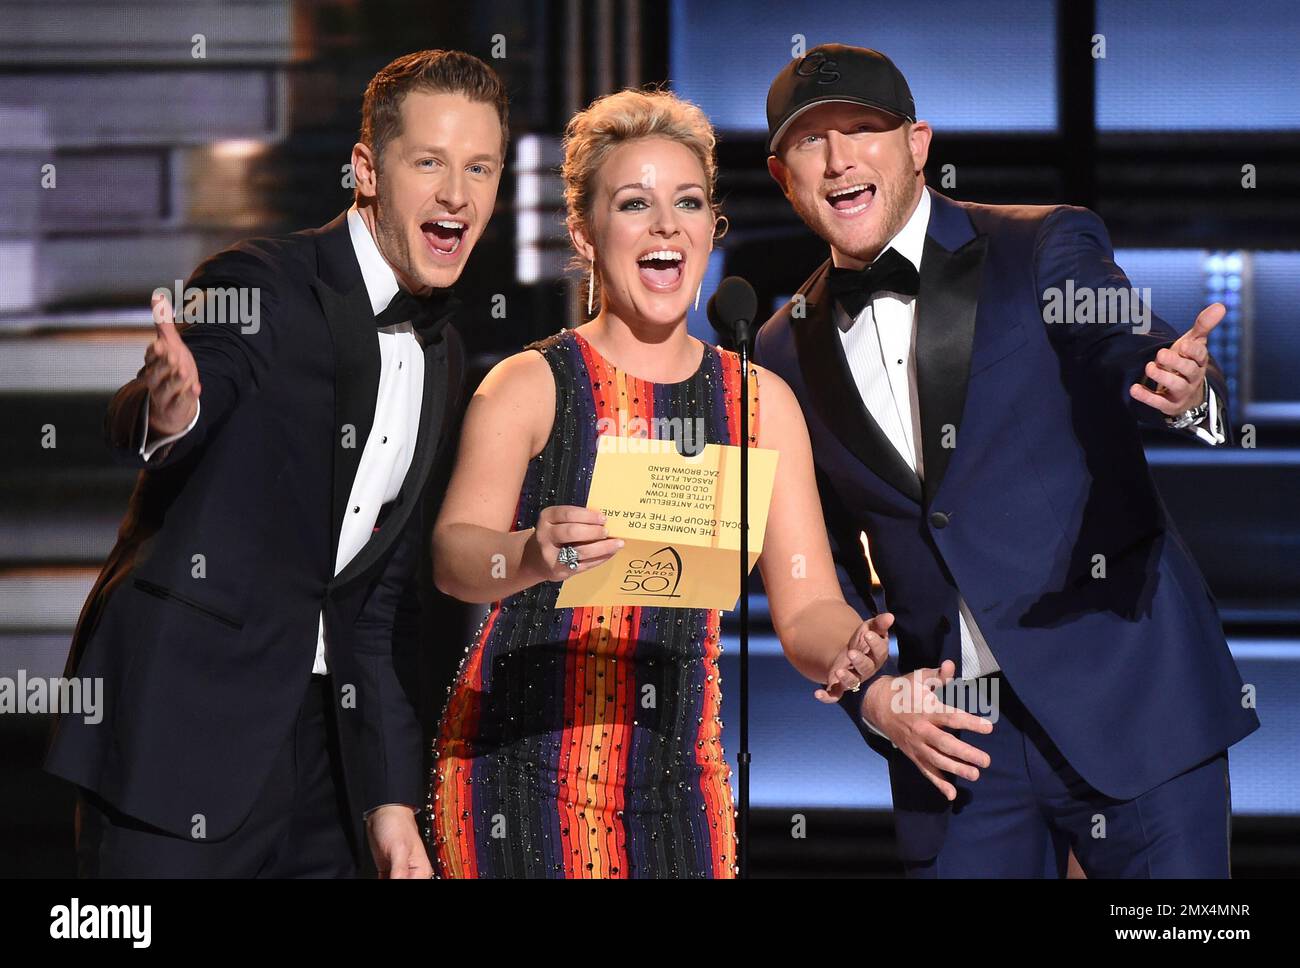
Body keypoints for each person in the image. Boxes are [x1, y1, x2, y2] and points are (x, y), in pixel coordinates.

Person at [754, 44, 1259, 877]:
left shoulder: (1039, 245)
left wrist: (1176, 381)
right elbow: (822, 565)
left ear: (917, 144)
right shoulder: (778, 350)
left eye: (864, 130)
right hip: (954, 743)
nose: (839, 158)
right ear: (782, 177)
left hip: (1125, 692)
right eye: (812, 142)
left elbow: (1119, 339)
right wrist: (877, 701)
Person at [44, 49, 506, 878]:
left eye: (480, 167)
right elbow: (176, 397)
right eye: (429, 162)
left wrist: (390, 800)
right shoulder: (262, 280)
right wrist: (170, 407)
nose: (457, 194)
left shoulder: (445, 350)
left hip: (328, 767)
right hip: (185, 736)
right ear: (366, 170)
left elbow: (376, 604)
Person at [424, 88, 891, 878]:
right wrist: (529, 555)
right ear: (584, 232)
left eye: (688, 203)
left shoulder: (760, 403)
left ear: (712, 229)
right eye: (634, 204)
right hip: (515, 772)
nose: (666, 225)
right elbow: (453, 555)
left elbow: (807, 600)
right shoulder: (530, 383)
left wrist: (847, 646)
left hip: (680, 784)